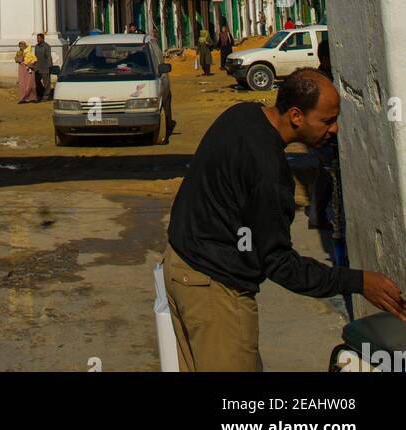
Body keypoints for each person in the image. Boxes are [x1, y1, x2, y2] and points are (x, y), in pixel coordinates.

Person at [163, 68, 406, 372]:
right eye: (327, 121)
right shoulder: (270, 174)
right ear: (296, 116)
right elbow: (280, 265)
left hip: (180, 269)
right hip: (215, 292)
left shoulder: (242, 114)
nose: (335, 130)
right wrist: (358, 281)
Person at [33, 33, 53, 101]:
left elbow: (49, 57)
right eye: (37, 38)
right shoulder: (36, 46)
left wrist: (49, 66)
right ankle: (41, 93)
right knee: (36, 81)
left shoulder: (46, 46)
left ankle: (46, 96)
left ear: (42, 38)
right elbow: (35, 56)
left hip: (45, 67)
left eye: (39, 38)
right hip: (37, 67)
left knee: (46, 82)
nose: (37, 40)